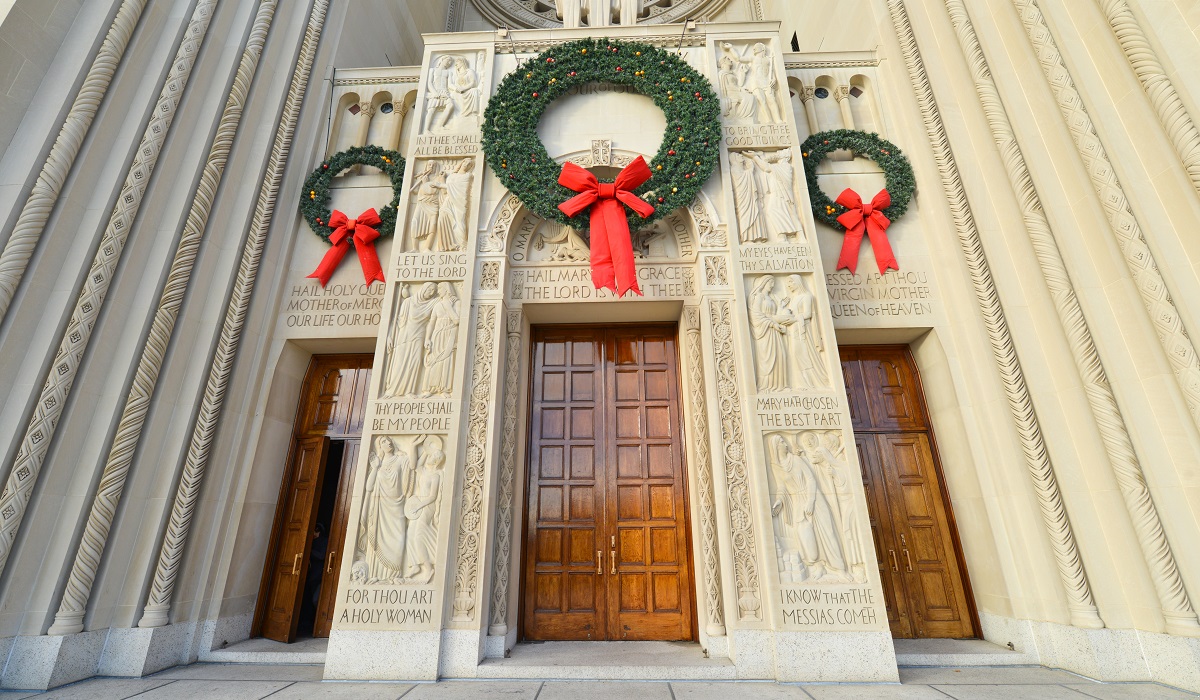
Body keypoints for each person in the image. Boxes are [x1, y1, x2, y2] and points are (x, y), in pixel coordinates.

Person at [768, 435, 848, 582]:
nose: (785, 444)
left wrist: (811, 501)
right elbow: (781, 487)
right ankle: (818, 566)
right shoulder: (777, 467)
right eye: (781, 442)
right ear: (775, 447)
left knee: (827, 532)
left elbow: (811, 478)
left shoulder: (796, 460)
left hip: (814, 498)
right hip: (798, 501)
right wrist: (779, 501)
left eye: (784, 441)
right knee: (805, 535)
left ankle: (840, 569)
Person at [361, 436, 421, 582]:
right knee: (378, 540)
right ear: (379, 447)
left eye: (389, 440)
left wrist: (413, 447)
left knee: (398, 541)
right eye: (383, 442)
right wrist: (375, 468)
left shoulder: (400, 459)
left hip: (397, 507)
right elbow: (369, 487)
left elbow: (413, 465)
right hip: (380, 508)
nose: (388, 443)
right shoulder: (378, 464)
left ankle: (394, 576)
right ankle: (376, 575)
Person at [385, 283, 439, 397]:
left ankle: (409, 391)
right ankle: (392, 390)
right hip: (404, 336)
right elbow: (397, 322)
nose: (431, 293)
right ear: (424, 288)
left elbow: (444, 300)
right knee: (399, 363)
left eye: (434, 291)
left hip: (419, 336)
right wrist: (390, 336)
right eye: (430, 290)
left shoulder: (432, 303)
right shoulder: (407, 302)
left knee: (415, 362)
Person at [405, 436, 445, 583]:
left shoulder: (435, 476)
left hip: (427, 506)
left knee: (419, 536)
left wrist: (419, 506)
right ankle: (415, 565)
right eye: (431, 455)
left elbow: (433, 496)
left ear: (437, 460)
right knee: (410, 534)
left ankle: (428, 568)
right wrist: (416, 446)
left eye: (433, 456)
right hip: (418, 504)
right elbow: (414, 465)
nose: (430, 457)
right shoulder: (424, 471)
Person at [782, 275, 826, 388]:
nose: (789, 285)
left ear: (797, 282)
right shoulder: (792, 299)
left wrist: (793, 319)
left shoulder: (806, 296)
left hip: (802, 330)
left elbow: (808, 314)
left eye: (791, 282)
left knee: (802, 354)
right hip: (793, 329)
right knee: (794, 354)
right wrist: (782, 307)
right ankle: (802, 383)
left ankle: (812, 383)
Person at [749, 276, 792, 392]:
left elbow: (776, 314)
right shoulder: (759, 297)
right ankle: (766, 386)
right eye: (770, 282)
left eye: (773, 282)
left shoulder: (772, 298)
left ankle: (781, 386)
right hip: (766, 330)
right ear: (764, 283)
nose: (772, 285)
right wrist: (772, 324)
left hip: (775, 330)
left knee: (781, 355)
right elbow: (755, 315)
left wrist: (782, 306)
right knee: (768, 358)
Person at [422, 283, 459, 396]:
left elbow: (456, 320)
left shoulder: (457, 303)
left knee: (446, 360)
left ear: (446, 290)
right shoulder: (437, 305)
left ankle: (444, 389)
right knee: (433, 361)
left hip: (449, 335)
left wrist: (448, 306)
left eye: (440, 289)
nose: (438, 292)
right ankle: (429, 389)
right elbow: (431, 323)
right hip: (437, 336)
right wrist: (427, 338)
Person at [408, 162, 446, 252]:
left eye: (433, 165)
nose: (431, 166)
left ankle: (427, 248)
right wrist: (419, 179)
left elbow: (440, 191)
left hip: (433, 204)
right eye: (429, 164)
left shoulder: (438, 178)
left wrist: (426, 183)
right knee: (415, 223)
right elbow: (415, 191)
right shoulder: (423, 177)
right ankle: (415, 248)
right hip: (421, 203)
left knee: (432, 225)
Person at [438, 159, 474, 251]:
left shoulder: (468, 176)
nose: (466, 164)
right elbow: (445, 191)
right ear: (461, 163)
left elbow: (460, 188)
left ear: (470, 167)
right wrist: (442, 180)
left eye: (469, 164)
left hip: (460, 202)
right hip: (449, 201)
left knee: (460, 222)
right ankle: (446, 245)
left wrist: (438, 184)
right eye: (465, 162)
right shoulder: (451, 176)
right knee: (442, 218)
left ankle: (463, 245)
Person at [730, 153, 767, 243]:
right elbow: (741, 180)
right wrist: (750, 169)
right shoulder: (734, 168)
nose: (741, 156)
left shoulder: (743, 169)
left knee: (756, 213)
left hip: (750, 195)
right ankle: (747, 239)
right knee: (746, 215)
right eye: (738, 155)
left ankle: (757, 237)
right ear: (734, 159)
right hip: (743, 197)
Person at [424, 56, 455, 132]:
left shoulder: (448, 72)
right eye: (448, 60)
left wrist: (458, 89)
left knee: (451, 105)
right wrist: (434, 92)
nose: (449, 63)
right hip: (435, 91)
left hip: (444, 92)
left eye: (450, 62)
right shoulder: (433, 70)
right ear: (442, 60)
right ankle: (426, 129)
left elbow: (450, 84)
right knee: (431, 110)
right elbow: (429, 83)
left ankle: (440, 125)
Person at [449, 57, 480, 121]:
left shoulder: (470, 71)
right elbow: (452, 84)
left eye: (457, 63)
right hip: (459, 92)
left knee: (474, 91)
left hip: (468, 90)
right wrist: (456, 89)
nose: (455, 65)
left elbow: (474, 83)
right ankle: (456, 115)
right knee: (453, 95)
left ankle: (471, 113)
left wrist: (463, 88)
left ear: (462, 63)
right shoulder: (456, 74)